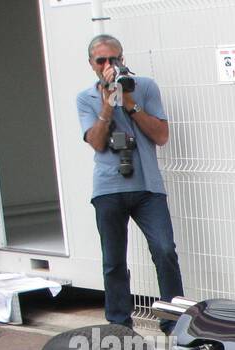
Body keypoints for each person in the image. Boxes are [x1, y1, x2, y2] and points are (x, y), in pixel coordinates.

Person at [76, 35, 183, 334]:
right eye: (102, 61)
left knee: (165, 250)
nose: (109, 65)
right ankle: (119, 326)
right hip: (109, 188)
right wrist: (108, 106)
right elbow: (97, 143)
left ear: (123, 58)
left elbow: (161, 136)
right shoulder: (85, 97)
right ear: (92, 65)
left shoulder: (145, 87)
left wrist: (130, 103)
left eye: (114, 59)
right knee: (113, 260)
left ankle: (173, 321)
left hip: (147, 186)